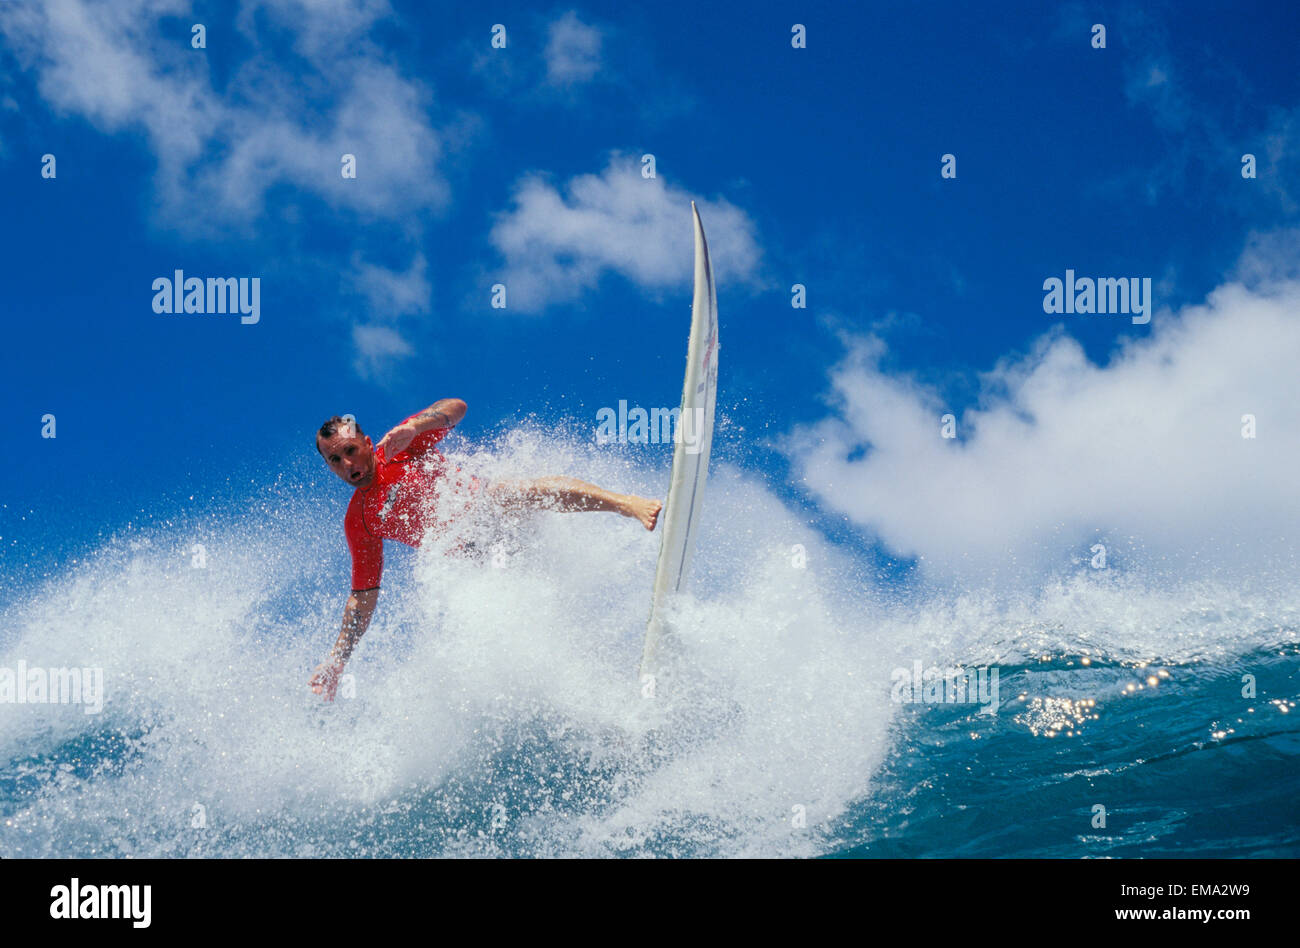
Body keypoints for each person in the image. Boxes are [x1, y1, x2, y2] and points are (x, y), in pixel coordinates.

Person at [309, 399, 662, 700]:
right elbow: (363, 596)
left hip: (491, 510)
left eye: (350, 451)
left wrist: (416, 426)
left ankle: (625, 504)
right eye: (334, 460)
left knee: (507, 493)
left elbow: (457, 408)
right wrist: (338, 660)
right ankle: (608, 690)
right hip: (485, 561)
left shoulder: (396, 447)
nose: (347, 465)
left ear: (367, 443)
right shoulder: (360, 522)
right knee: (522, 623)